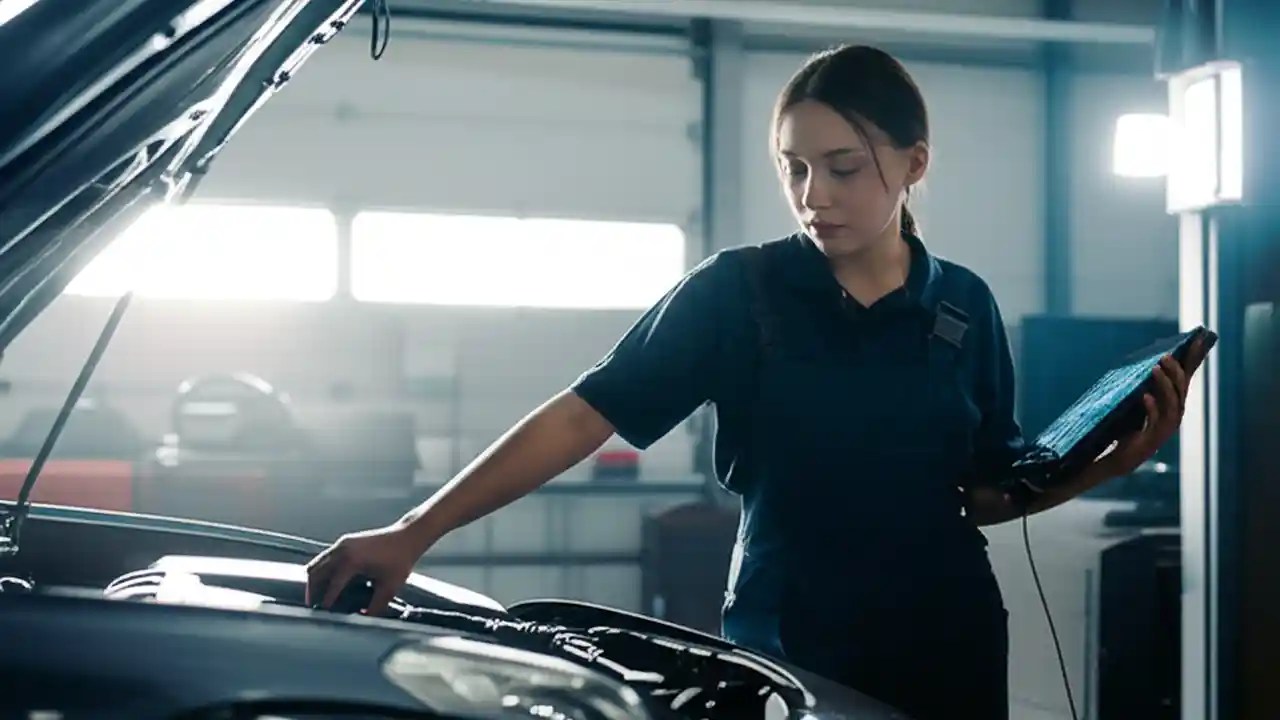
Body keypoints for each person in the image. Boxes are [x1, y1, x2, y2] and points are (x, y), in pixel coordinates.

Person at [305, 45, 1208, 719]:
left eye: (844, 168)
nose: (815, 193)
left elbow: (983, 488)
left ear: (914, 164)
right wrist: (414, 533)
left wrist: (1104, 466)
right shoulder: (737, 293)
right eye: (795, 168)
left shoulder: (963, 305)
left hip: (949, 641)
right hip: (791, 641)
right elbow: (588, 414)